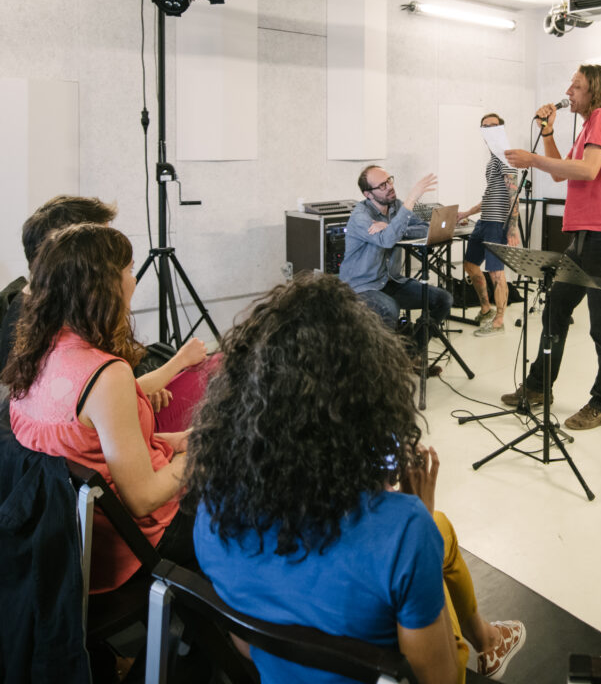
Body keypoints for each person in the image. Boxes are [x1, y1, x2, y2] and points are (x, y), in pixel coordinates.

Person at [186, 273, 525, 684]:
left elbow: (247, 645)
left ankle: (487, 637)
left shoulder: (212, 511)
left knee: (441, 530)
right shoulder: (403, 530)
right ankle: (487, 640)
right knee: (434, 528)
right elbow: (440, 680)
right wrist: (418, 515)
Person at [3, 223, 194, 593]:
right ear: (103, 287)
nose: (134, 280)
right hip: (130, 547)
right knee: (250, 500)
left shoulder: (34, 355)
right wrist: (199, 456)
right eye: (128, 270)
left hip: (69, 547)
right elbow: (141, 500)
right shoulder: (106, 375)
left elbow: (90, 444)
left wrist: (175, 443)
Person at [1, 195, 209, 421]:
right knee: (208, 375)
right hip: (103, 425)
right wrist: (156, 378)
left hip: (112, 406)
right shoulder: (45, 326)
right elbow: (95, 400)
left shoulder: (45, 309)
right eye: (102, 246)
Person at [502, 64, 601, 431]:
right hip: (584, 237)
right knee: (555, 309)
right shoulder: (587, 126)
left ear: (595, 91)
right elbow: (561, 171)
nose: (568, 92)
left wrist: (532, 159)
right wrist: (547, 133)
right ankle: (540, 386)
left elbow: (588, 171)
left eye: (576, 87)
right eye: (569, 86)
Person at [339, 167, 453, 333]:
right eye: (382, 186)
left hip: (391, 281)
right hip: (361, 287)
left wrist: (396, 229)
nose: (389, 186)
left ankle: (414, 351)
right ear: (368, 194)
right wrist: (411, 199)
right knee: (389, 309)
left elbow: (425, 229)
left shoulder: (396, 207)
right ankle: (387, 357)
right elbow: (387, 240)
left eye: (389, 180)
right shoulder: (360, 216)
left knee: (444, 299)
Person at [457, 113, 519, 338]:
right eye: (484, 127)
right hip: (484, 221)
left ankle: (499, 320)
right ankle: (486, 309)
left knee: (496, 272)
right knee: (470, 265)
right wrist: (467, 212)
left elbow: (514, 194)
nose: (489, 130)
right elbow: (491, 197)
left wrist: (512, 229)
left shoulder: (505, 157)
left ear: (501, 129)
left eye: (493, 126)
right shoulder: (492, 159)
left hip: (497, 224)